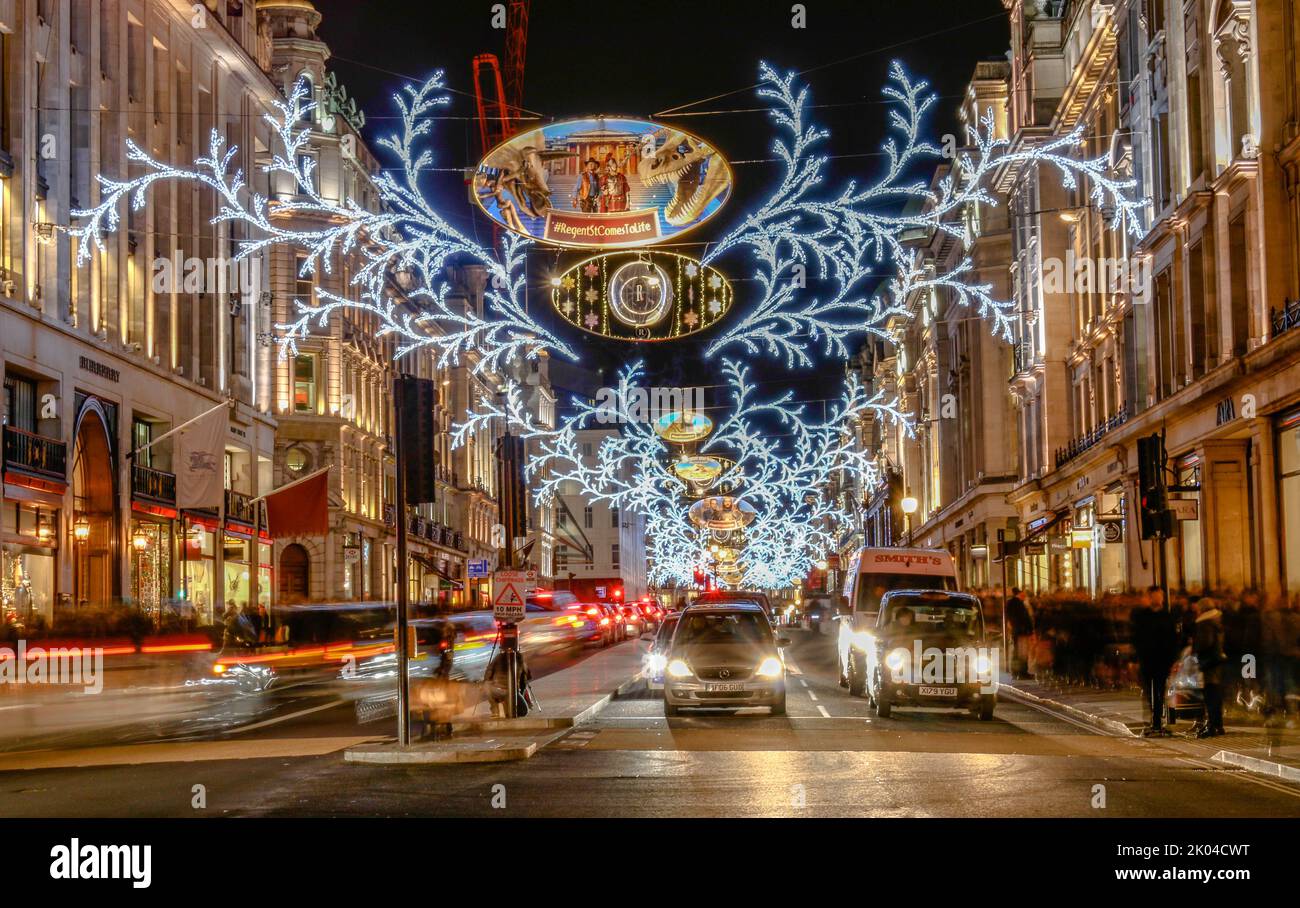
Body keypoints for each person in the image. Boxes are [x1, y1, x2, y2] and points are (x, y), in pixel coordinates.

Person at [1131, 587, 1179, 731]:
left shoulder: (1168, 616)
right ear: (1150, 597)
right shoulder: (1142, 617)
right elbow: (1136, 638)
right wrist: (1135, 658)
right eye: (1155, 596)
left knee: (1160, 690)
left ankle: (1157, 719)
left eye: (1160, 596)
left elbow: (1173, 639)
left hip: (1163, 660)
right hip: (1147, 659)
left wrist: (1173, 659)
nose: (1158, 599)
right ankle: (1153, 716)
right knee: (1148, 690)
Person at [1193, 598, 1227, 737]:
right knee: (1216, 695)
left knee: (1210, 695)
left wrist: (1194, 647)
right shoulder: (1218, 619)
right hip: (1218, 661)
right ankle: (1218, 724)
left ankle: (1213, 725)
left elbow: (1204, 643)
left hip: (1208, 662)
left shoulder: (1204, 623)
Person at [1005, 587, 1034, 679]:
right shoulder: (1017, 603)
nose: (1025, 596)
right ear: (1020, 594)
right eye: (1023, 594)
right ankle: (1021, 672)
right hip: (1021, 631)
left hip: (1019, 630)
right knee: (1021, 653)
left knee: (1018, 652)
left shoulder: (1013, 603)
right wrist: (1027, 628)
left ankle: (1017, 672)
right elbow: (1022, 618)